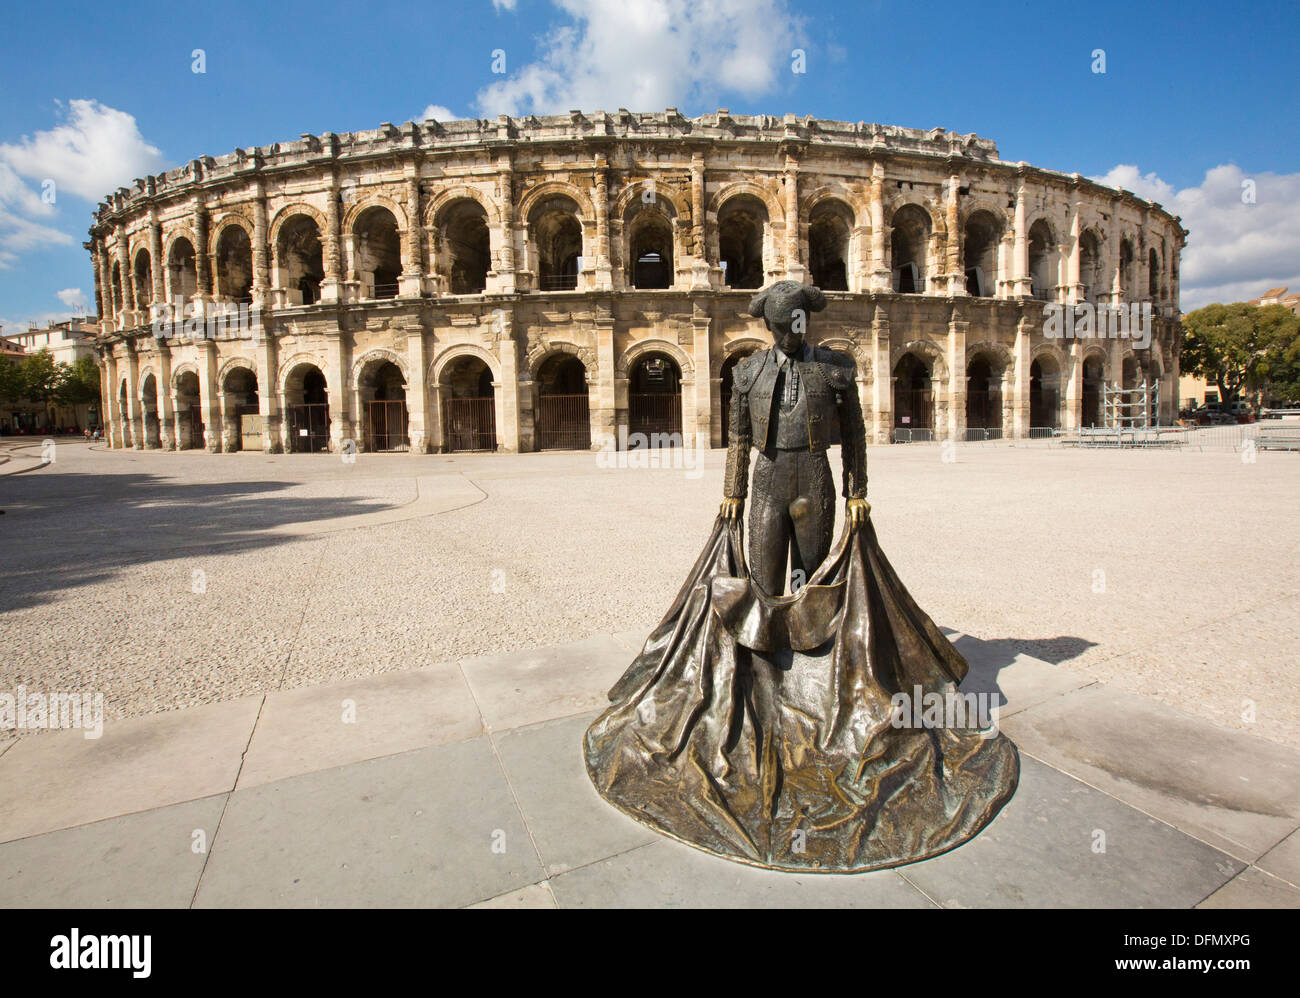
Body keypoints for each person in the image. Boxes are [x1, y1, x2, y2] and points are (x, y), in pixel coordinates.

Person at [585, 281, 1020, 873]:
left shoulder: (835, 370)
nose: (795, 326)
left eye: (801, 317)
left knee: (819, 587)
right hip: (766, 482)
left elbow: (857, 437)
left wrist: (859, 493)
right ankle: (762, 690)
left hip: (813, 480)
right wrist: (731, 494)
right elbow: (739, 437)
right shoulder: (746, 374)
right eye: (785, 318)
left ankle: (819, 687)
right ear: (769, 324)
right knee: (761, 591)